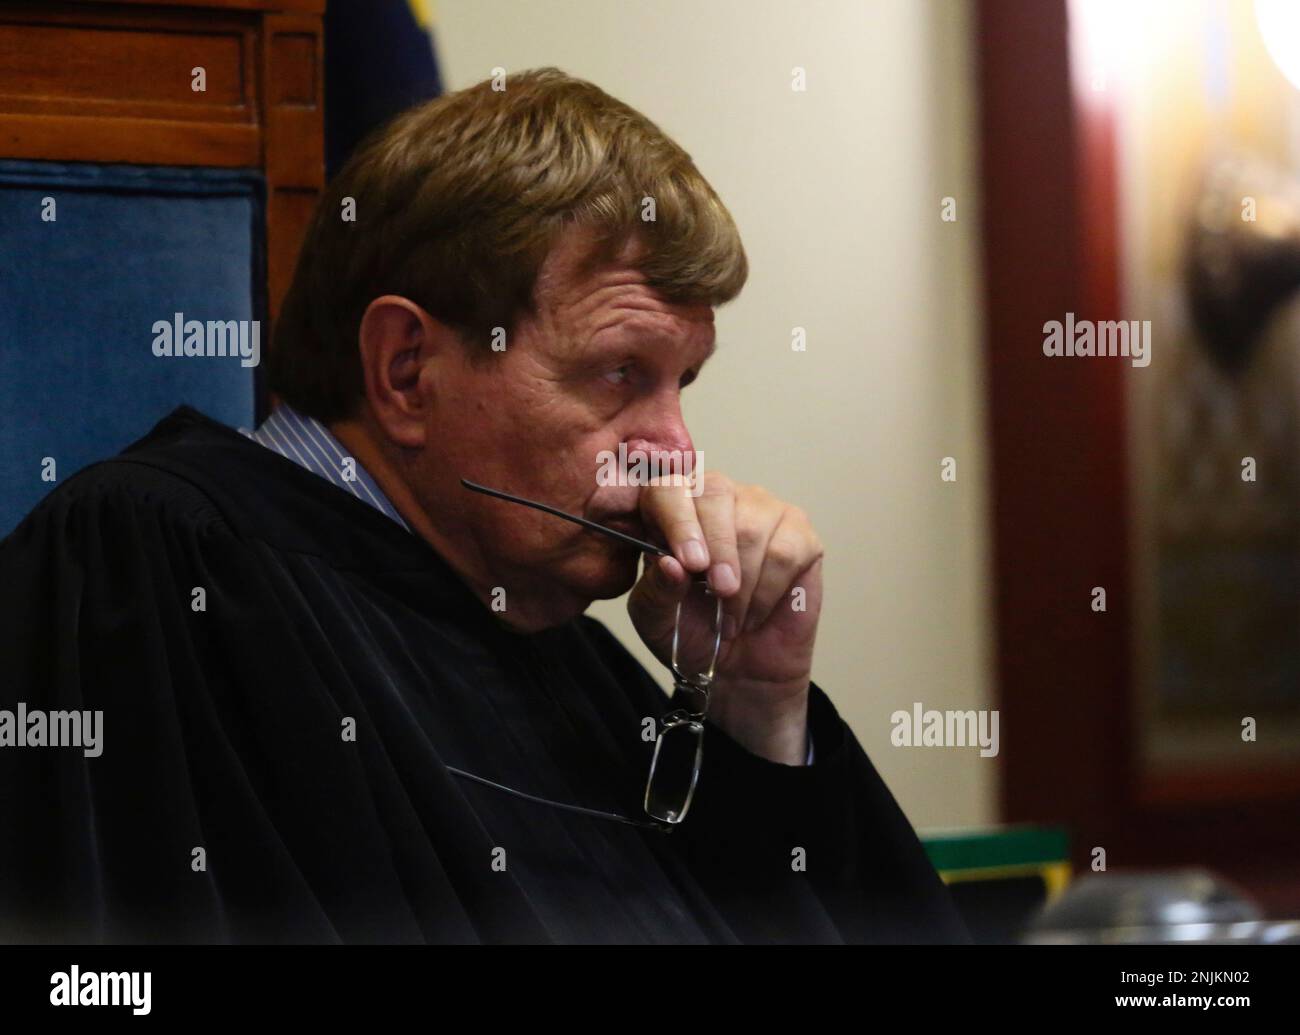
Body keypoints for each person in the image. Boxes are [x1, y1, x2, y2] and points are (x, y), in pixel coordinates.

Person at [0, 67, 968, 945]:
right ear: (406, 370)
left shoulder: (563, 640)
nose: (675, 449)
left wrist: (757, 717)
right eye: (618, 373)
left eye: (685, 384)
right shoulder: (155, 565)